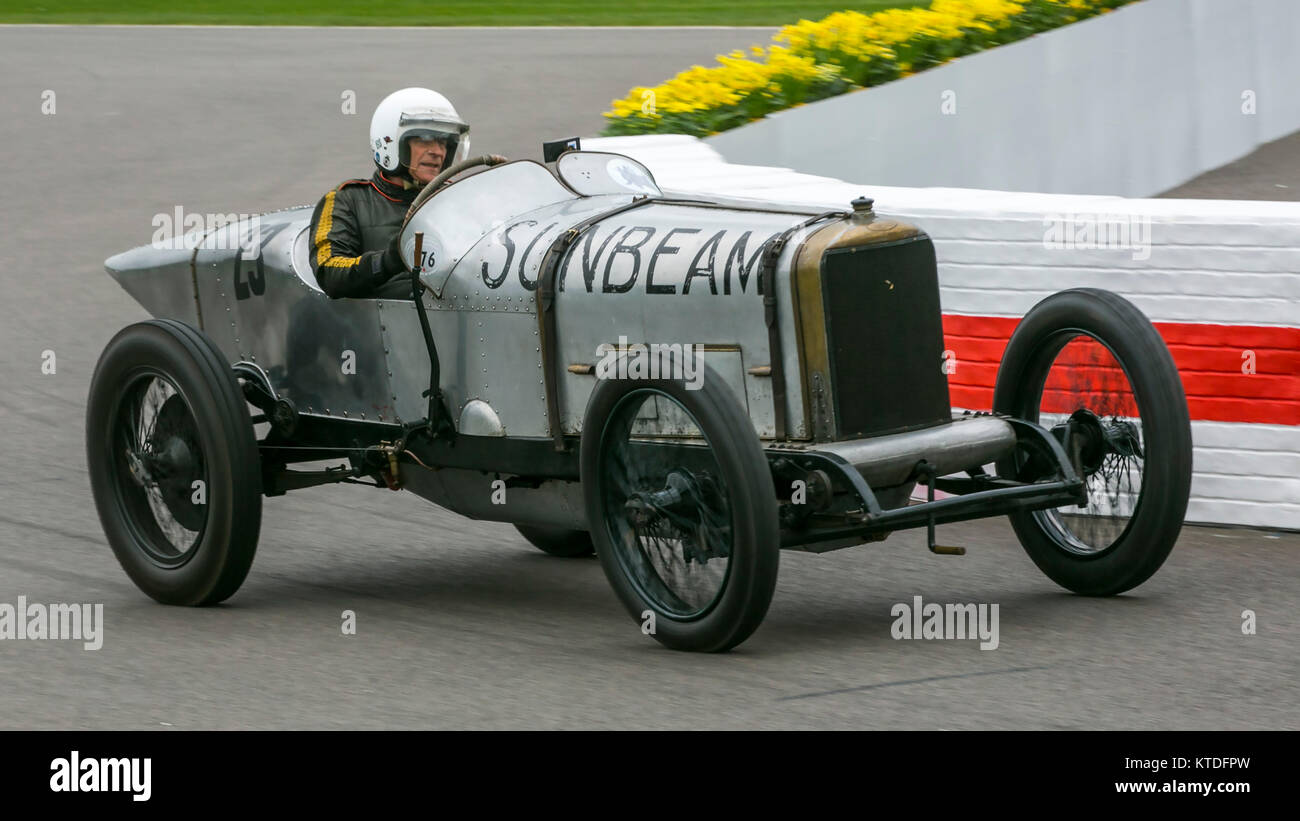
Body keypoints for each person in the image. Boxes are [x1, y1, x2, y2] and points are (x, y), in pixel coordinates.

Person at [309, 87, 471, 299]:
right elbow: (329, 273)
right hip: (381, 326)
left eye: (443, 142)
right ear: (391, 143)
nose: (438, 151)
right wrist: (388, 261)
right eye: (425, 140)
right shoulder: (348, 199)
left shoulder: (458, 200)